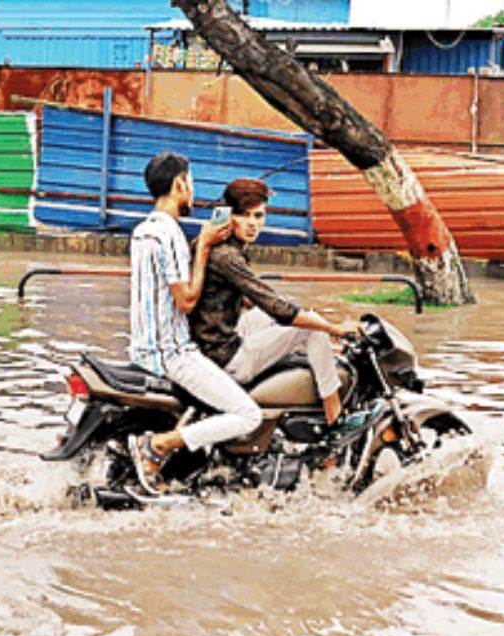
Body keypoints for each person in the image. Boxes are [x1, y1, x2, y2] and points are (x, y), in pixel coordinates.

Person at [127, 152, 262, 494]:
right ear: (179, 184)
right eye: (191, 182)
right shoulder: (168, 234)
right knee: (248, 415)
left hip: (142, 348)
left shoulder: (142, 232)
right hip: (172, 354)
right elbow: (186, 301)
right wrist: (203, 247)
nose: (193, 191)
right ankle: (158, 445)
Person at [190, 178, 360, 426]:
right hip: (225, 358)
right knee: (308, 325)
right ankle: (333, 415)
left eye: (258, 216)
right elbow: (277, 308)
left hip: (215, 340)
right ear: (229, 215)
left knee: (303, 315)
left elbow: (251, 300)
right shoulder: (226, 256)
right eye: (244, 215)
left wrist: (305, 319)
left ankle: (316, 351)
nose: (252, 224)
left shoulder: (223, 246)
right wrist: (334, 328)